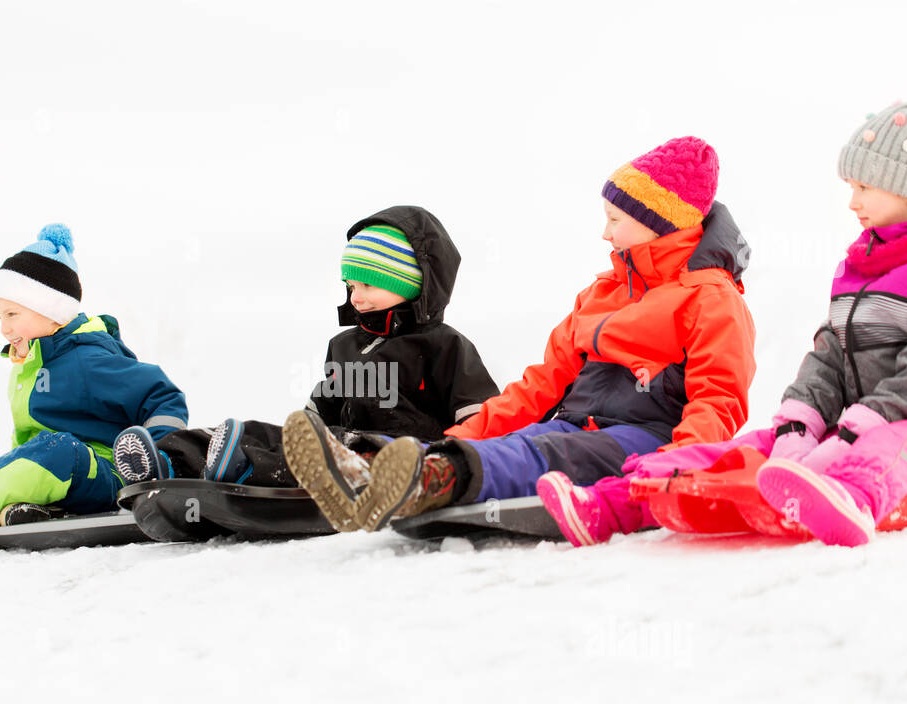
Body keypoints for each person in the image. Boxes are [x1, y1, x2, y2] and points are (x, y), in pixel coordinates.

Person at [540, 100, 907, 547]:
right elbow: (830, 355)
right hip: (862, 424)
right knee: (758, 445)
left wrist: (854, 432)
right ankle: (618, 502)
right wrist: (800, 423)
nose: (852, 201)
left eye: (864, 188)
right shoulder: (863, 265)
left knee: (895, 440)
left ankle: (852, 500)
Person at [290, 137, 756, 533]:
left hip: (648, 440)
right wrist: (456, 438)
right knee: (528, 439)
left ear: (659, 223)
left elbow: (718, 399)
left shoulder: (709, 298)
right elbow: (539, 387)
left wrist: (675, 467)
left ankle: (426, 480)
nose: (604, 232)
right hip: (575, 428)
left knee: (542, 450)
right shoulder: (603, 293)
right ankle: (377, 469)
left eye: (615, 219)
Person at [113, 205, 500, 534]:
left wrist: (448, 464)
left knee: (278, 453)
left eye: (367, 284)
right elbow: (318, 412)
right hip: (336, 442)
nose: (355, 296)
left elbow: (482, 419)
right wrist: (300, 431)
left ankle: (241, 464)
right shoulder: (345, 345)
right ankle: (171, 458)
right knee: (263, 436)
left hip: (392, 454)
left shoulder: (444, 346)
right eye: (350, 285)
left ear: (412, 281)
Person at [0, 224, 188, 538]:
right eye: (0, 317)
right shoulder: (31, 364)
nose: (4, 329)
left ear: (51, 312)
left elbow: (162, 394)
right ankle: (16, 508)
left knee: (55, 450)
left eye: (12, 315)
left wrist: (155, 459)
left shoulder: (88, 359)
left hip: (98, 472)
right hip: (43, 468)